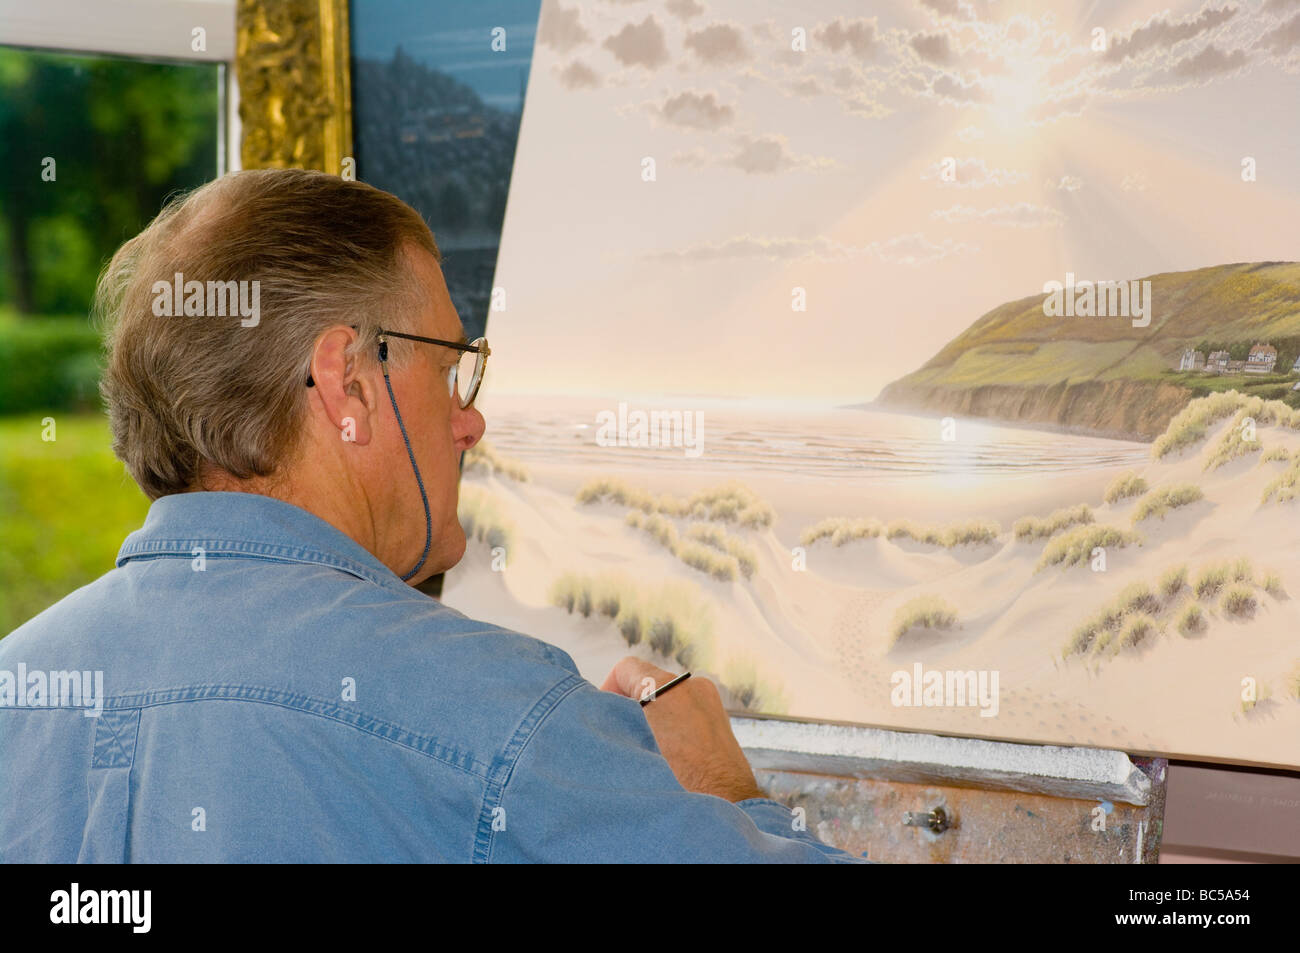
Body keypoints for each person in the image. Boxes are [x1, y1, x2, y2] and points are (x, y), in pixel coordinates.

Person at [0, 168, 867, 863]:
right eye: (450, 367)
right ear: (347, 383)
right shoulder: (501, 719)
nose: (470, 420)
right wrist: (721, 790)